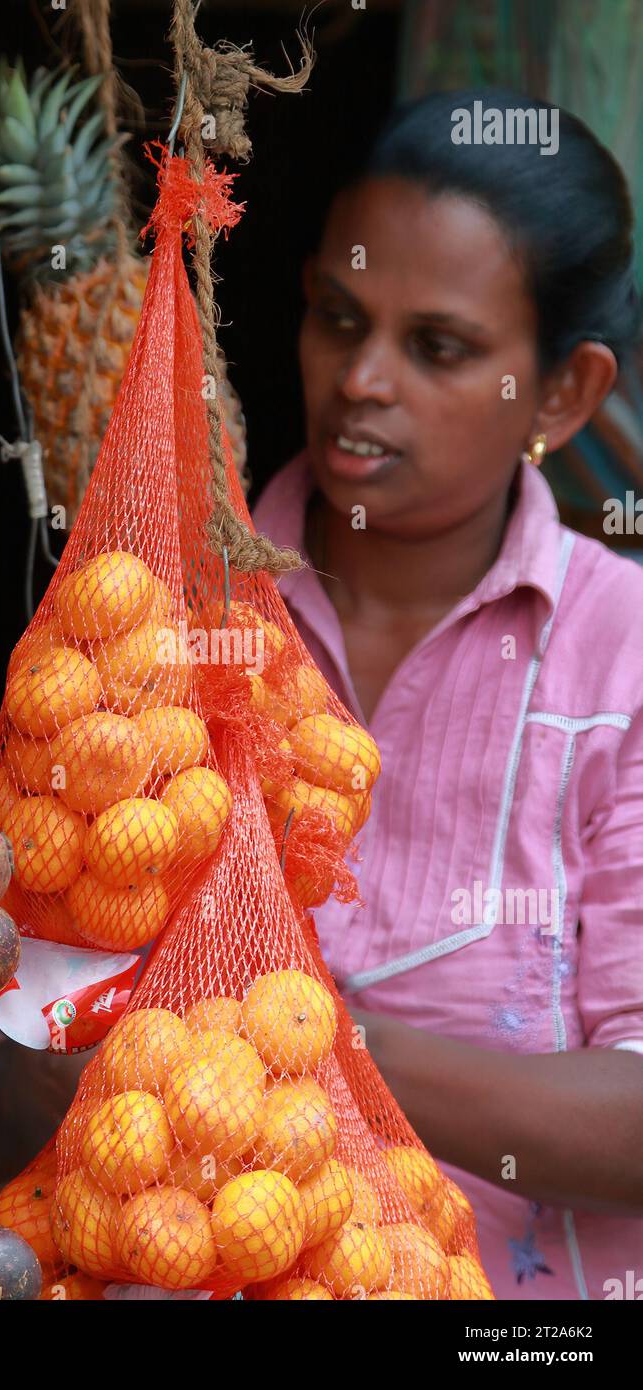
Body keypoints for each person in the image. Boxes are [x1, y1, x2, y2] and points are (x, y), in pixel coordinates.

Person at [253, 88, 643, 1301]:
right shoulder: (173, 619)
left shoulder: (620, 658)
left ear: (564, 396)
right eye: (336, 318)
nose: (361, 378)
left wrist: (300, 1039)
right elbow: (16, 1063)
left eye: (437, 347)